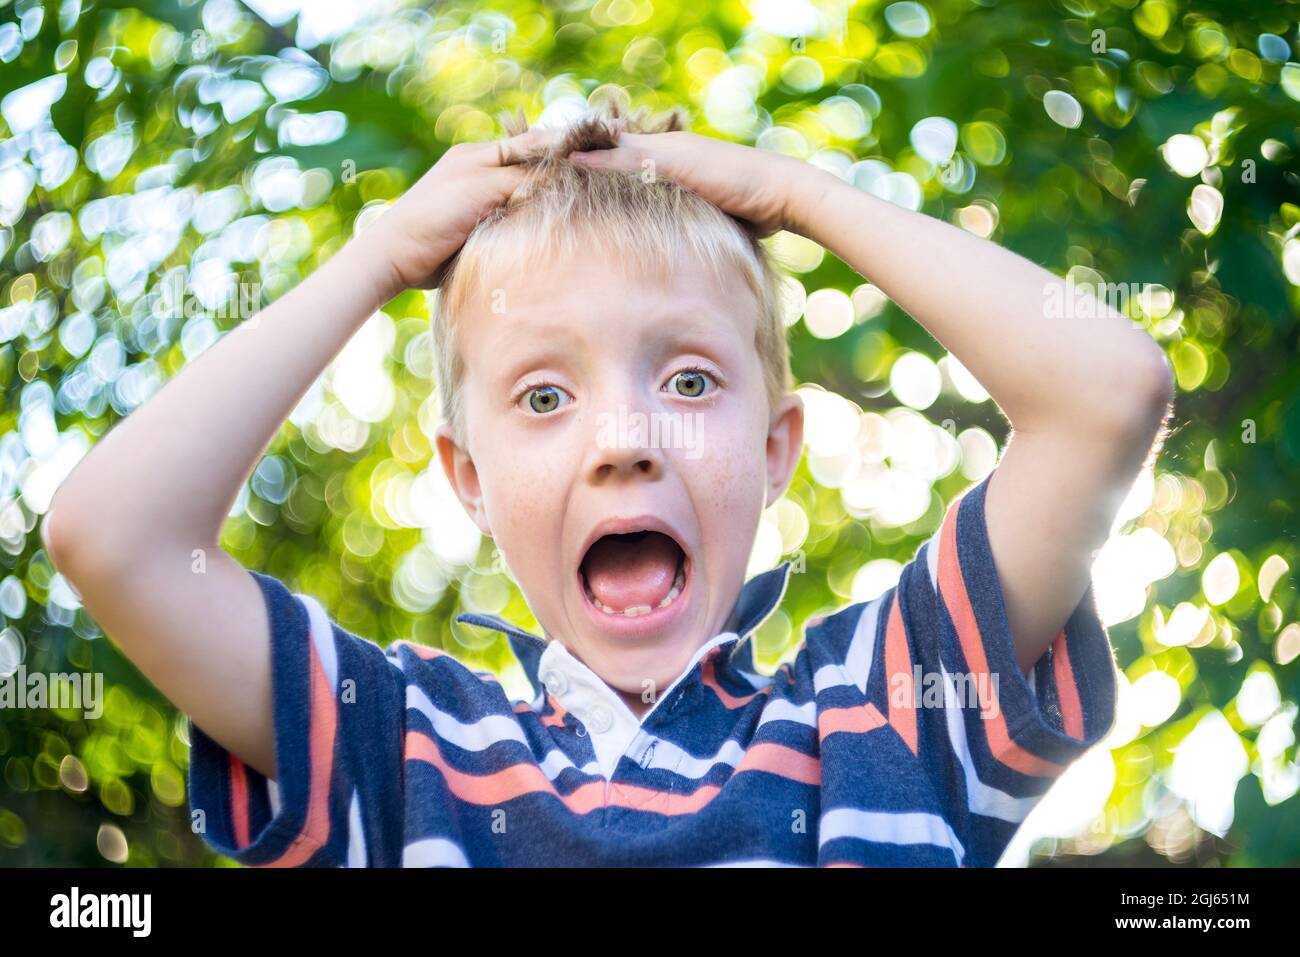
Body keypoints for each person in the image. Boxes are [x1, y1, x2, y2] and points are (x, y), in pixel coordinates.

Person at [43, 100, 1174, 866]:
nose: (624, 437)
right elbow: (112, 534)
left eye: (687, 379)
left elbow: (1107, 391)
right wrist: (377, 257)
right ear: (466, 478)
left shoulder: (879, 712)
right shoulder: (395, 747)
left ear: (777, 449)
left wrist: (795, 195)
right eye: (544, 397)